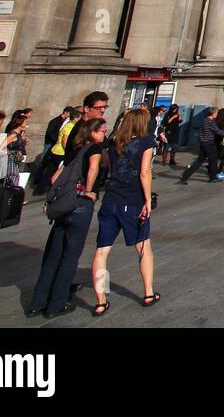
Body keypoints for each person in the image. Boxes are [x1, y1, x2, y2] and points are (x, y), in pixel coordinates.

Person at [26, 117, 108, 318]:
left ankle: (37, 303)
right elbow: (94, 169)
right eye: (102, 131)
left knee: (53, 256)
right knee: (70, 257)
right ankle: (57, 304)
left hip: (63, 205)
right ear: (93, 132)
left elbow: (55, 178)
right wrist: (88, 191)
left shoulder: (74, 151)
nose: (105, 133)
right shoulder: (95, 149)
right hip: (80, 206)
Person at [90, 107, 158, 316]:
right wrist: (147, 199)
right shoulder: (146, 142)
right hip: (133, 200)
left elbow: (106, 166)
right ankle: (148, 292)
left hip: (110, 200)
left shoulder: (112, 143)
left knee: (102, 251)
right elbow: (144, 172)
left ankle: (101, 300)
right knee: (143, 247)